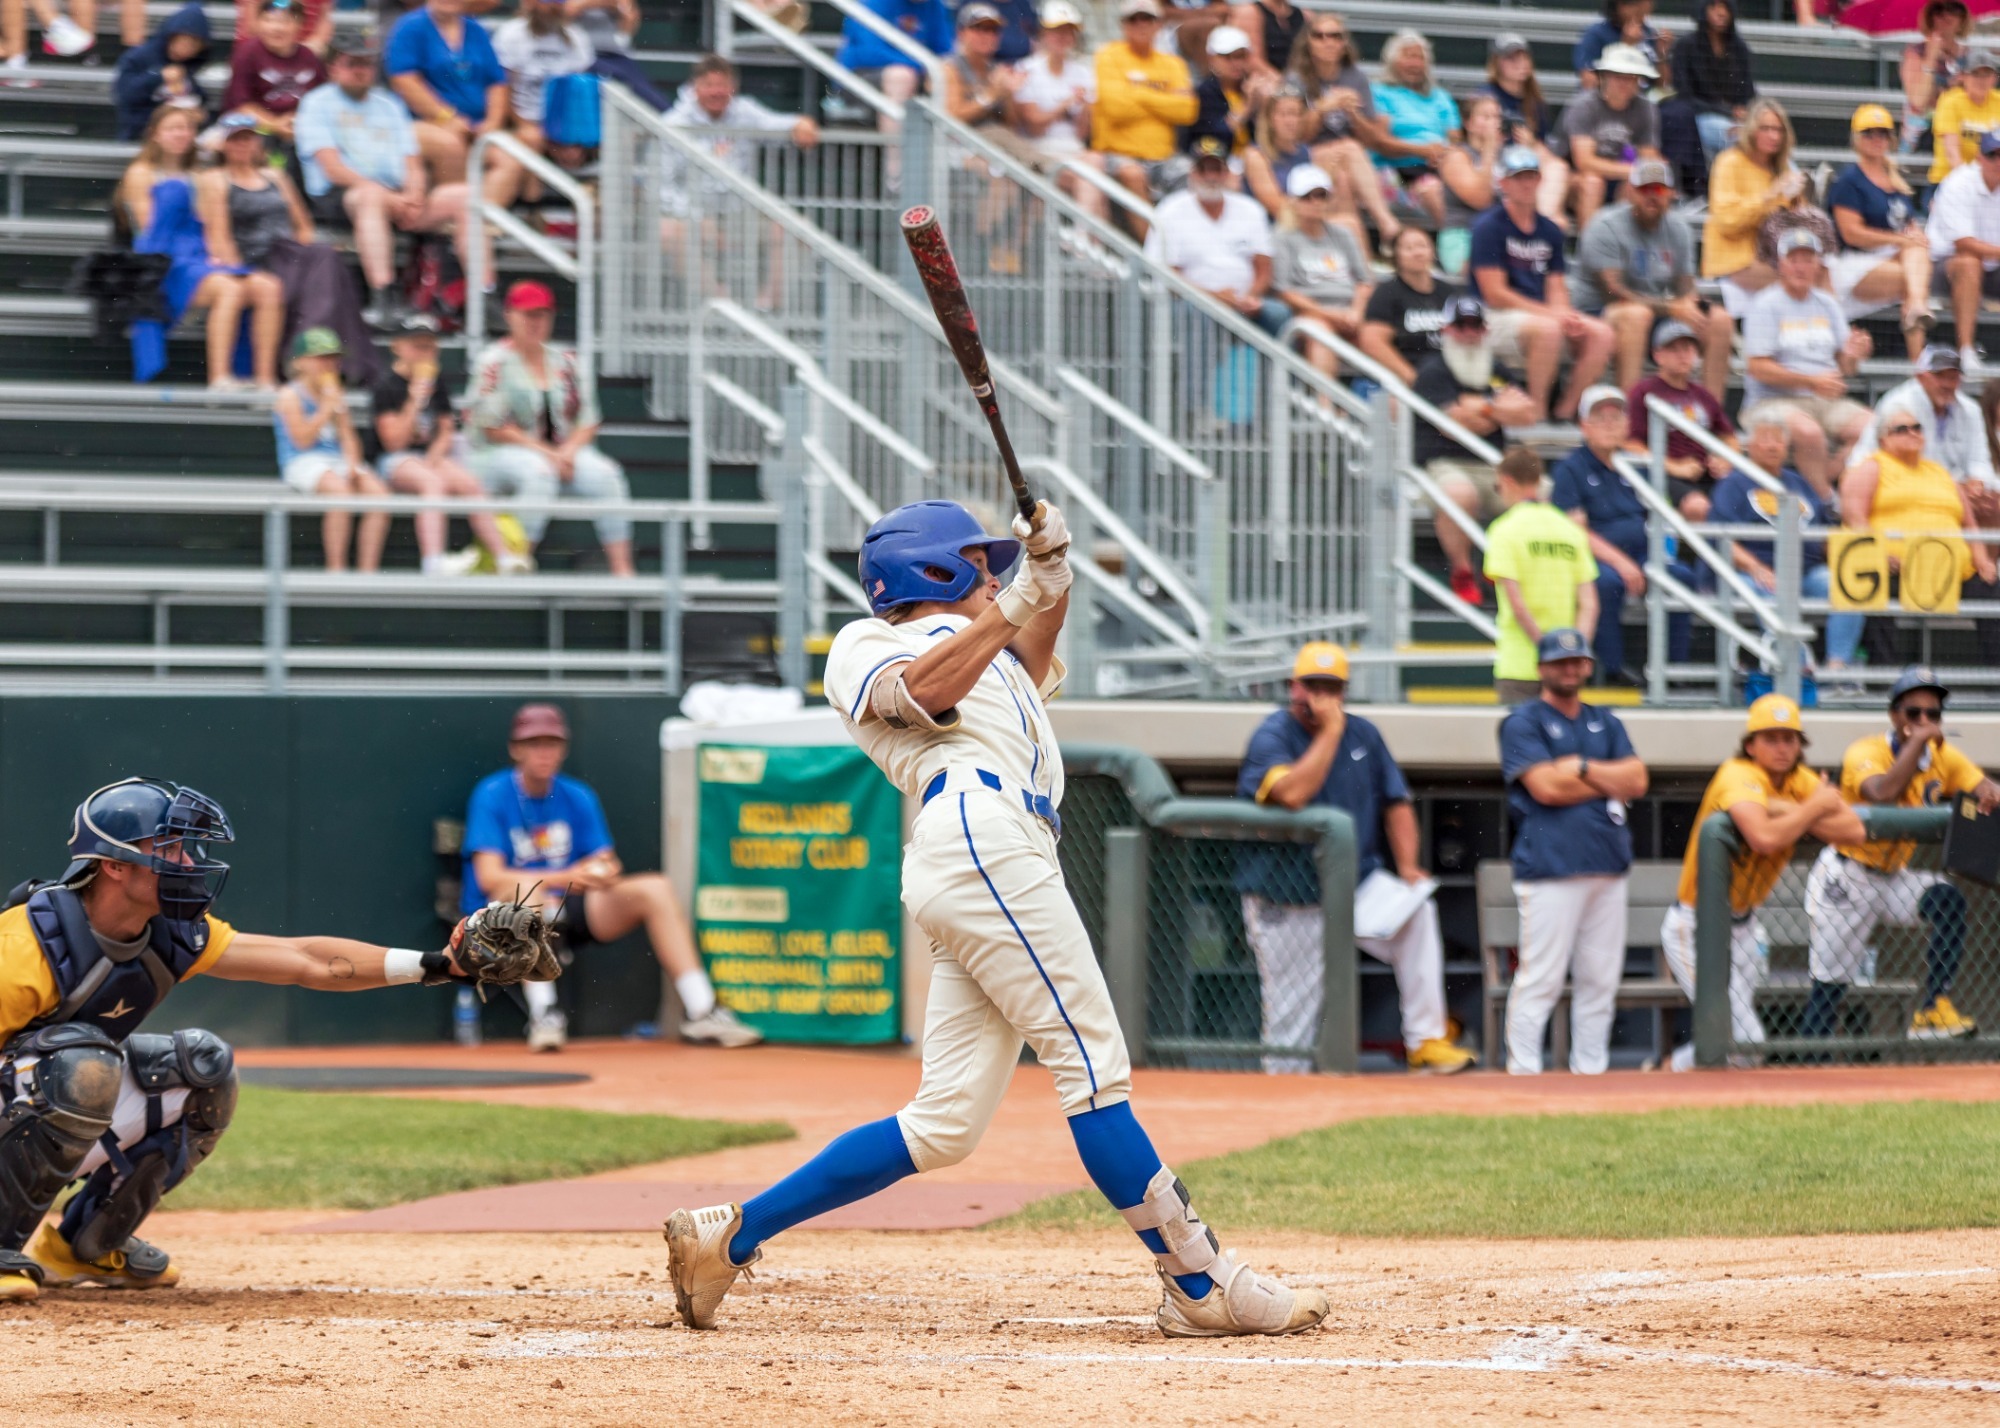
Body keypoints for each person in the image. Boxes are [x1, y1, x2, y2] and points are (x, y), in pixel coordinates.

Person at [663, 499, 1330, 1340]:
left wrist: (1054, 574)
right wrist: (1020, 599)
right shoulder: (869, 644)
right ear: (932, 571)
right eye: (979, 564)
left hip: (997, 849)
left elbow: (1027, 648)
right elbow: (925, 690)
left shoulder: (993, 654)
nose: (994, 575)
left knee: (943, 1125)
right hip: (978, 836)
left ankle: (729, 1236)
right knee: (1092, 1064)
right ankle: (1200, 1282)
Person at [0, 777, 533, 1302]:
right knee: (78, 1068)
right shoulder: (23, 950)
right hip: (24, 1097)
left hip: (30, 1097)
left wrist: (439, 965)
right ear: (113, 866)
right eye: (168, 848)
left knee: (201, 1068)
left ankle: (84, 1244)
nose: (187, 862)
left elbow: (306, 960)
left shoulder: (171, 932)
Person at [1236, 642, 1476, 1075]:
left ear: (1344, 690)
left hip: (1356, 883)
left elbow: (1397, 802)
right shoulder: (1272, 734)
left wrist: (1406, 865)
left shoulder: (1364, 733)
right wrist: (1329, 732)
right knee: (1292, 1019)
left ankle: (1425, 1041)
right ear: (1293, 687)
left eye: (1331, 687)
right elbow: (1292, 794)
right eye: (1312, 686)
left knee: (1418, 913)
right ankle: (1280, 1092)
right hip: (1288, 894)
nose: (1321, 697)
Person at [463, 703, 760, 1051]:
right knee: (531, 890)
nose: (543, 753)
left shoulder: (577, 795)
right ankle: (545, 1014)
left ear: (563, 749)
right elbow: (489, 876)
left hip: (569, 911)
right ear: (516, 749)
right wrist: (568, 875)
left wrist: (603, 871)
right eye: (534, 743)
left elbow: (606, 861)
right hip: (501, 920)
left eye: (552, 743)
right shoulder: (493, 794)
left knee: (655, 889)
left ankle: (702, 1010)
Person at [1660, 696, 1864, 1071]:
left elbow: (1855, 830)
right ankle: (1674, 1076)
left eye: (1790, 738)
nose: (1782, 747)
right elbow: (1764, 838)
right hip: (1696, 926)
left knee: (1733, 1042)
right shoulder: (1737, 773)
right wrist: (1813, 808)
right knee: (1748, 1042)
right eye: (1771, 738)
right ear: (1750, 743)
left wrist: (1786, 809)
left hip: (1746, 928)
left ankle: (1670, 1071)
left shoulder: (1799, 781)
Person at [1804, 669, 2000, 1042]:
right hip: (1848, 876)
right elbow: (1881, 791)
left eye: (1933, 715)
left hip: (1894, 876)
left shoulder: (1945, 756)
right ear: (1895, 716)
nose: (1925, 722)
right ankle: (1808, 1063)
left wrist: (1990, 790)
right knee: (1830, 986)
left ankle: (1931, 1009)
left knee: (1947, 901)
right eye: (1915, 714)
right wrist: (1919, 742)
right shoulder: (1866, 750)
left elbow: (1983, 785)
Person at [1497, 629, 1647, 1074]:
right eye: (1559, 661)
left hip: (1608, 869)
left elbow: (1637, 780)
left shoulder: (1607, 721)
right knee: (1541, 978)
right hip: (1550, 869)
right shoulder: (1523, 721)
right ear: (1542, 668)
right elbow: (1545, 788)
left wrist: (1580, 767)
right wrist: (1605, 779)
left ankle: (1591, 1074)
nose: (1569, 668)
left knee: (1599, 981)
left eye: (1576, 660)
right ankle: (1523, 1072)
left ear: (1587, 665)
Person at [295, 36, 474, 333]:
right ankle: (384, 296)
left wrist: (414, 193)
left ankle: (482, 293)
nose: (360, 70)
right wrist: (389, 197)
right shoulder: (316, 104)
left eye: (366, 63)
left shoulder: (389, 104)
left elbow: (412, 163)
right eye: (352, 63)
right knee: (369, 196)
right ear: (333, 68)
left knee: (466, 195)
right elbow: (334, 169)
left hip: (396, 196)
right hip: (341, 195)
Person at [467, 280, 635, 576]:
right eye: (528, 314)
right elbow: (494, 428)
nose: (536, 322)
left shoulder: (567, 360)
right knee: (539, 472)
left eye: (542, 315)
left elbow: (588, 420)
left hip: (558, 452)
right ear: (510, 315)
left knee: (607, 475)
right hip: (498, 454)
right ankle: (518, 562)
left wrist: (567, 452)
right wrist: (550, 455)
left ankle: (623, 567)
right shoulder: (493, 362)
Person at [1831, 391, 2000, 671]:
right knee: (1873, 590)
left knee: (1993, 589)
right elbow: (1854, 515)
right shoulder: (1872, 467)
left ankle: (1995, 680)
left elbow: (1968, 523)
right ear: (1884, 438)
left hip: (1950, 571)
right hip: (1897, 567)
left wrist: (1982, 559)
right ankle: (1882, 679)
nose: (1912, 433)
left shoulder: (1940, 472)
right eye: (1901, 429)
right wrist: (1879, 551)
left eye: (1917, 427)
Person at [118, 105, 284, 390]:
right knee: (229, 288)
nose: (181, 134)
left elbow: (212, 225)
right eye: (172, 128)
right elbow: (152, 231)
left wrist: (221, 258)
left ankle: (264, 378)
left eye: (186, 128)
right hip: (163, 261)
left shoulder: (201, 174)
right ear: (155, 135)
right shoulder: (141, 173)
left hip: (200, 257)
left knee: (268, 287)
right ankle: (220, 377)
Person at [1468, 145, 1615, 423]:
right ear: (1504, 183)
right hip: (1492, 316)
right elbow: (1495, 293)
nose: (1525, 183)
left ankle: (1566, 411)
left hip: (1536, 314)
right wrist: (1552, 315)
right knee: (1548, 330)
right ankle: (1535, 411)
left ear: (1539, 180)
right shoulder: (1488, 226)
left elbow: (1556, 286)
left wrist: (1566, 315)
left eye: (1530, 176)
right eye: (1518, 177)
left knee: (1601, 334)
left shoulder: (1549, 230)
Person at [369, 313, 517, 577]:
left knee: (470, 484)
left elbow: (447, 428)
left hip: (426, 457)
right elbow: (393, 442)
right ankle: (433, 560)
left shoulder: (437, 383)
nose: (425, 353)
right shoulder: (387, 385)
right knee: (433, 483)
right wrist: (414, 399)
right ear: (398, 347)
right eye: (418, 346)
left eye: (430, 347)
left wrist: (435, 456)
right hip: (392, 461)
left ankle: (503, 557)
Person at [1412, 297, 1537, 607]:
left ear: (1485, 330)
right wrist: (1496, 409)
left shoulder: (1496, 369)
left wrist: (1479, 409)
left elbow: (1526, 414)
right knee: (1459, 494)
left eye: (1476, 325)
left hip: (1494, 464)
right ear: (1446, 329)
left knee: (1539, 495)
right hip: (1443, 463)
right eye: (1461, 325)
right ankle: (1463, 571)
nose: (1469, 332)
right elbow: (1452, 425)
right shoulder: (1433, 369)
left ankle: (1513, 574)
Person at [1570, 160, 1724, 395]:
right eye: (1645, 190)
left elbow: (1685, 287)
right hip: (1596, 313)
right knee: (1635, 315)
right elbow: (1613, 292)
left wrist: (1692, 307)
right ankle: (1632, 416)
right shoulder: (1605, 225)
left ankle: (1712, 415)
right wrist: (1673, 308)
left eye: (1660, 190)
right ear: (1630, 191)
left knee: (1719, 320)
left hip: (1653, 312)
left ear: (1672, 194)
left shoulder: (1678, 228)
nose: (1653, 196)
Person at [1741, 230, 1873, 495]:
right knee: (1809, 432)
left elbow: (1846, 367)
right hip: (1771, 401)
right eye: (1794, 259)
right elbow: (1757, 367)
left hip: (1825, 399)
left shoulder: (1828, 304)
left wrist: (1856, 353)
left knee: (1874, 427)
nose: (1801, 266)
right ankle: (1825, 500)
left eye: (1808, 259)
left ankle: (1824, 484)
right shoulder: (1765, 305)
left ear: (1818, 266)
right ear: (1780, 264)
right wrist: (1811, 382)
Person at [1550, 386, 1647, 684]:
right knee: (1603, 582)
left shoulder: (1637, 466)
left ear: (1627, 426)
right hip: (1598, 556)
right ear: (1584, 426)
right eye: (1600, 418)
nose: (1609, 425)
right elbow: (1576, 530)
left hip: (1643, 551)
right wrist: (1621, 562)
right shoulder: (1570, 469)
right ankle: (1613, 669)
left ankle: (1673, 672)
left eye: (1616, 417)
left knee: (1679, 575)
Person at [1485, 451, 1599, 703]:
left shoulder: (1504, 530)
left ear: (1507, 481)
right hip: (1566, 669)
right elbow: (1589, 604)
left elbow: (1517, 603)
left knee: (1521, 738)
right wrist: (1573, 654)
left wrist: (1548, 650)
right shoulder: (1569, 529)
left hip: (1520, 663)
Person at [273, 327, 391, 573]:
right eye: (321, 358)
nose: (329, 365)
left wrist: (354, 465)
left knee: (380, 495)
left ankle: (368, 570)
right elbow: (301, 440)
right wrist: (326, 408)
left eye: (333, 358)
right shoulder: (289, 395)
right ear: (301, 362)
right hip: (302, 460)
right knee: (341, 493)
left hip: (335, 458)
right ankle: (335, 568)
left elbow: (348, 437)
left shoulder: (336, 393)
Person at [1143, 136, 1287, 335]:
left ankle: (1278, 368)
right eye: (1204, 170)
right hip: (1192, 301)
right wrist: (1215, 297)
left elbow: (1264, 268)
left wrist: (1249, 297)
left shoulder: (1250, 209)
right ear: (1193, 174)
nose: (1211, 177)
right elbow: (1166, 274)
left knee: (1280, 313)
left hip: (1244, 301)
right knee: (1195, 314)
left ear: (1226, 173)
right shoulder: (1170, 210)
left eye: (1217, 169)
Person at [1286, 12, 1401, 249]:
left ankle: (1356, 259)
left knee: (1344, 180)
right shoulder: (1295, 80)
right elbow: (1296, 137)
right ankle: (1387, 222)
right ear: (1308, 42)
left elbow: (1371, 139)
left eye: (1335, 36)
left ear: (1343, 43)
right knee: (1348, 148)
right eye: (1319, 36)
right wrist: (1322, 108)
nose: (1328, 41)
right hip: (1306, 156)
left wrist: (1354, 115)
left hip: (1344, 161)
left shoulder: (1355, 77)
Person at [1829, 104, 1936, 357]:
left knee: (1917, 256)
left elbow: (1906, 223)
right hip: (1854, 262)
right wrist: (1902, 239)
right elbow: (1852, 234)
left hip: (1889, 255)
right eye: (1869, 133)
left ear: (1891, 138)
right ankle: (1918, 361)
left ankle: (1917, 315)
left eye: (1882, 133)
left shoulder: (1894, 176)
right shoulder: (1849, 180)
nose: (1876, 139)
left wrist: (1914, 235)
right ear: (1856, 138)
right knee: (1914, 283)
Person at [1708, 412, 1836, 618]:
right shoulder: (1733, 484)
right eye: (1765, 439)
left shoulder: (1799, 483)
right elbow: (1720, 537)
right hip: (1755, 572)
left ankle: (1839, 651)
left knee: (1846, 590)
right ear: (1749, 445)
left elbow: (1824, 532)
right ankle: (1789, 651)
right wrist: (1755, 568)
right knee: (1768, 593)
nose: (1772, 446)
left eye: (1778, 440)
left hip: (1807, 572)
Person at [1092, 0, 1197, 231]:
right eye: (1134, 19)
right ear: (1123, 25)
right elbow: (1115, 107)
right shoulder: (1108, 55)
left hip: (1163, 156)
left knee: (1196, 173)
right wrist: (1162, 97)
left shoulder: (1173, 63)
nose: (1141, 25)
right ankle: (1152, 252)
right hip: (1118, 154)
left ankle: (1184, 249)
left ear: (1158, 24)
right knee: (1133, 173)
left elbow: (1187, 110)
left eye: (1147, 19)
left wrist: (1137, 93)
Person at [384, 0, 510, 187]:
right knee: (450, 146)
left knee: (508, 160)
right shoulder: (410, 27)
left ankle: (476, 216)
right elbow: (404, 81)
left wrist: (492, 123)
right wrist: (447, 117)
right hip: (423, 122)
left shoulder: (476, 30)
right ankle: (453, 213)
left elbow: (496, 83)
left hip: (475, 128)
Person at [1701, 98, 1805, 317]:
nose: (1774, 136)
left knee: (1819, 271)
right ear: (1750, 130)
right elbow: (1728, 221)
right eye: (1765, 129)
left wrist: (1799, 204)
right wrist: (1770, 195)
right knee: (1801, 278)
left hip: (1773, 259)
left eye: (1778, 130)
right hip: (1734, 261)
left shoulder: (1784, 169)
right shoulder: (1729, 162)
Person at [1847, 345, 1995, 496]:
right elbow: (1900, 460)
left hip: (1949, 489)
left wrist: (1978, 481)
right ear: (1921, 377)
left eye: (1953, 377)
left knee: (1991, 500)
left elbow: (1979, 459)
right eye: (1939, 376)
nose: (1947, 384)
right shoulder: (1898, 404)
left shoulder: (1971, 409)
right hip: (1899, 486)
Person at [1626, 319, 1737, 519]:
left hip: (1705, 473)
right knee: (1698, 507)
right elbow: (1631, 443)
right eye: (1674, 349)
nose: (1683, 355)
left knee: (1739, 503)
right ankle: (1691, 550)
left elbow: (1729, 437)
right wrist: (1672, 466)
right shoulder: (1644, 391)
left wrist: (1724, 460)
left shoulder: (1702, 394)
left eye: (1687, 348)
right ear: (1658, 355)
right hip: (1662, 474)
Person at [1271, 164, 1371, 380]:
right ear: (1293, 201)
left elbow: (1365, 281)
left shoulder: (1343, 233)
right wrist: (1328, 314)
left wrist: (1356, 312)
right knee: (1320, 333)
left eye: (1321, 195)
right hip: (1311, 313)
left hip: (1348, 311)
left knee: (1376, 334)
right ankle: (1325, 408)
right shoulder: (1283, 237)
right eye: (1307, 197)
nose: (1315, 202)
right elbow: (1284, 291)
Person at [1012, 1, 1105, 217]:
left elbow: (1082, 133)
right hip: (1039, 151)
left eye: (1068, 32)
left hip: (1072, 150)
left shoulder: (1083, 72)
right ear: (1044, 33)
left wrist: (1083, 110)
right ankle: (1085, 242)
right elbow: (1034, 127)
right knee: (1092, 185)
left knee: (1094, 164)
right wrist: (1065, 104)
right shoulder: (1027, 68)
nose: (1063, 37)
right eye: (1056, 31)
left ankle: (1084, 242)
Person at [1560, 42, 1661, 235]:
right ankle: (1590, 254)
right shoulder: (1584, 106)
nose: (1625, 83)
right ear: (1604, 76)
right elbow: (1584, 162)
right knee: (1593, 183)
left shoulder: (1646, 109)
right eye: (1618, 76)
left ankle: (1624, 251)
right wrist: (1633, 170)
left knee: (1640, 187)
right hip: (1572, 178)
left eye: (1631, 78)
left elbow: (1650, 158)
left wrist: (1637, 172)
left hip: (1617, 178)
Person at [834, 0, 951, 166]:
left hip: (915, 76)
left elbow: (945, 49)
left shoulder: (934, 5)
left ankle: (949, 166)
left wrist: (933, 69)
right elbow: (869, 52)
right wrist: (923, 67)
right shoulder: (873, 2)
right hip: (856, 79)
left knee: (947, 75)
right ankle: (896, 175)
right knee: (901, 77)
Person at [1480, 33, 1570, 227]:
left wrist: (1531, 143)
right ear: (1497, 63)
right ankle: (1544, 223)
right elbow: (1475, 142)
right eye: (1511, 58)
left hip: (1526, 162)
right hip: (1494, 161)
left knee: (1558, 167)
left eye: (1523, 57)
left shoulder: (1535, 102)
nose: (1519, 63)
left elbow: (1544, 150)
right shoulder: (1485, 96)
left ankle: (1546, 222)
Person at [1927, 127, 2000, 370]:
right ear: (1979, 157)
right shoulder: (1959, 182)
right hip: (1943, 268)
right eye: (1993, 155)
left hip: (1991, 268)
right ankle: (1966, 350)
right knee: (1969, 262)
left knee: (1974, 263)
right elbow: (1963, 243)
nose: (1998, 161)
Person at [1367, 31, 1456, 226]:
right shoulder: (1381, 93)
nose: (1415, 64)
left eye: (1420, 58)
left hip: (1437, 167)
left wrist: (1441, 152)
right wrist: (1422, 150)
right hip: (1394, 172)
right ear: (1393, 61)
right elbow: (1380, 142)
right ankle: (1456, 249)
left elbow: (1455, 139)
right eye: (1408, 56)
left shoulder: (1440, 97)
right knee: (1432, 190)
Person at [492, 0, 595, 164]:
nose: (553, 6)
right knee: (533, 139)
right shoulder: (511, 33)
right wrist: (524, 125)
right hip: (520, 121)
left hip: (561, 124)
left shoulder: (578, 37)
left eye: (559, 1)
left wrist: (569, 136)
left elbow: (578, 95)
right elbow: (503, 89)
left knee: (579, 150)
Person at [221, 0, 325, 146]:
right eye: (269, 20)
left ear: (300, 24)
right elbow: (241, 105)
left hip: (300, 129)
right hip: (254, 129)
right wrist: (275, 125)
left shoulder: (309, 57)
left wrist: (299, 122)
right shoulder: (247, 53)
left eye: (285, 21)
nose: (276, 28)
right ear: (258, 22)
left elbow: (322, 100)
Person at [1360, 226, 1455, 385]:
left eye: (1422, 246)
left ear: (1433, 251)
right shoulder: (1386, 293)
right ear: (1396, 255)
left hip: (1447, 374)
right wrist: (1412, 377)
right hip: (1406, 377)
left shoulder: (1448, 292)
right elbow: (1373, 342)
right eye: (1409, 248)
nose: (1417, 253)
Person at [1667, 0, 1755, 167]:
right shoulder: (1686, 46)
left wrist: (1744, 112)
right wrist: (1727, 111)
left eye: (1725, 7)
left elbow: (1748, 91)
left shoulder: (1739, 48)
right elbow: (1684, 95)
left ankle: (1796, 178)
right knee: (1741, 139)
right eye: (1714, 6)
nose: (1721, 13)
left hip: (1735, 121)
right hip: (1698, 118)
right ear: (1703, 9)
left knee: (1764, 135)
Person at [112, 1, 212, 141]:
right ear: (171, 37)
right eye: (184, 41)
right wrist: (158, 76)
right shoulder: (139, 57)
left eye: (194, 45)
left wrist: (199, 112)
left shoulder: (187, 68)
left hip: (180, 139)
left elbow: (197, 99)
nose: (187, 48)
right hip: (140, 134)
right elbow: (125, 93)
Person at [1436, 94, 1504, 278]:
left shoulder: (1508, 156)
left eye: (1497, 117)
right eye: (1486, 117)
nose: (1494, 123)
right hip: (1464, 236)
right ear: (1469, 123)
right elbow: (1481, 200)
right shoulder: (1457, 156)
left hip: (1503, 236)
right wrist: (1489, 151)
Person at [1903, 0, 1970, 156]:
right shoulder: (1916, 53)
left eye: (1954, 8)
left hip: (1961, 134)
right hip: (1924, 135)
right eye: (1938, 10)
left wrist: (1963, 86)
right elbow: (1918, 101)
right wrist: (1931, 56)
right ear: (1930, 17)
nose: (1946, 15)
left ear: (1963, 19)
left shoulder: (1969, 56)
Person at [1242, 87, 1314, 223]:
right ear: (1270, 118)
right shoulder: (1256, 155)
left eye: (1297, 114)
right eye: (1285, 114)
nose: (1291, 121)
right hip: (1273, 228)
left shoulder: (1305, 152)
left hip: (1304, 224)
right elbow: (1276, 207)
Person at [1929, 45, 2000, 184]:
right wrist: (1969, 185)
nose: (1981, 80)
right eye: (1976, 74)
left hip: (1992, 184)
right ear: (1963, 76)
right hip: (1950, 181)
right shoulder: (1950, 101)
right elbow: (1952, 153)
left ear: (1994, 78)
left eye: (1987, 74)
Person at [1228, 0, 1299, 90]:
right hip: (1266, 80)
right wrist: (1285, 84)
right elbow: (1251, 59)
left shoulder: (1301, 14)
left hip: (1295, 79)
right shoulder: (1249, 12)